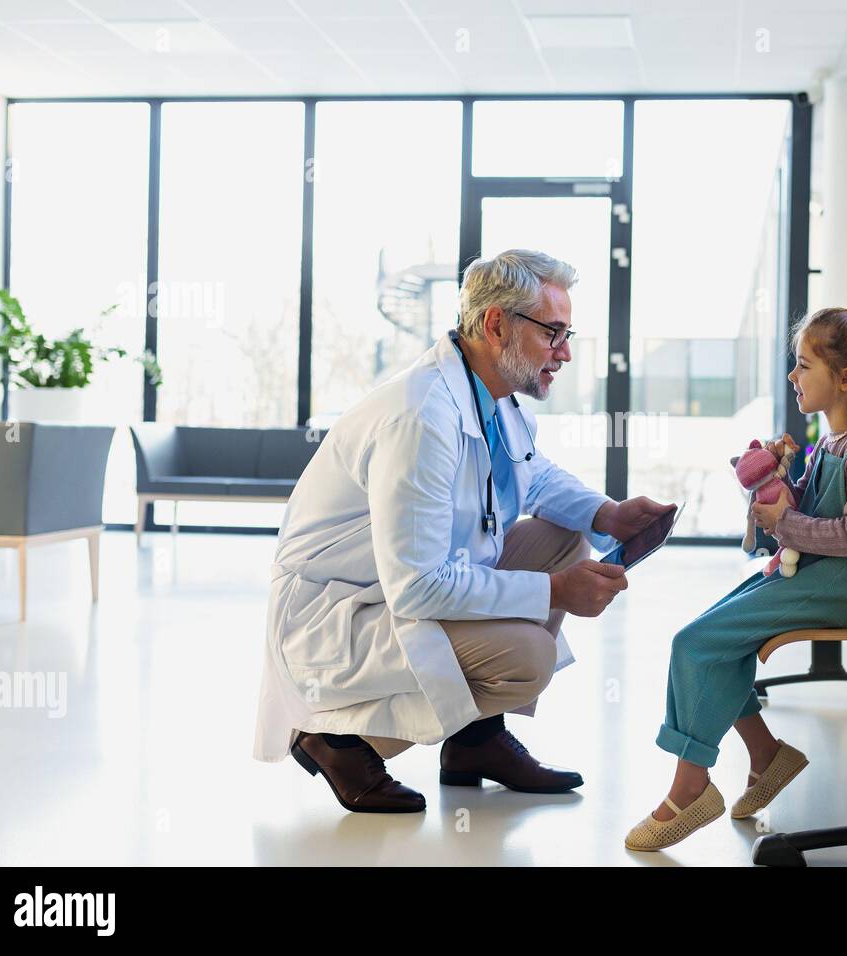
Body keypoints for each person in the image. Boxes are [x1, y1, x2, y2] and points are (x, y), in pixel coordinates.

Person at [253, 248, 674, 813]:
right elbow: (418, 586)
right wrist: (556, 591)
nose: (565, 352)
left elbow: (532, 474)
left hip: (393, 589)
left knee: (565, 536)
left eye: (567, 333)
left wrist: (606, 515)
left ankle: (473, 742)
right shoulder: (421, 416)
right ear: (497, 323)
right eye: (553, 333)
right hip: (342, 613)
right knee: (527, 659)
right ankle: (334, 739)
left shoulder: (491, 395)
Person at [624, 303, 847, 850]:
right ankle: (765, 755)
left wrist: (788, 519)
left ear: (846, 379)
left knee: (695, 643)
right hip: (812, 575)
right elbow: (812, 514)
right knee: (713, 639)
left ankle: (691, 786)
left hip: (836, 587)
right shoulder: (833, 441)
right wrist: (783, 483)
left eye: (804, 365)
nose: (793, 376)